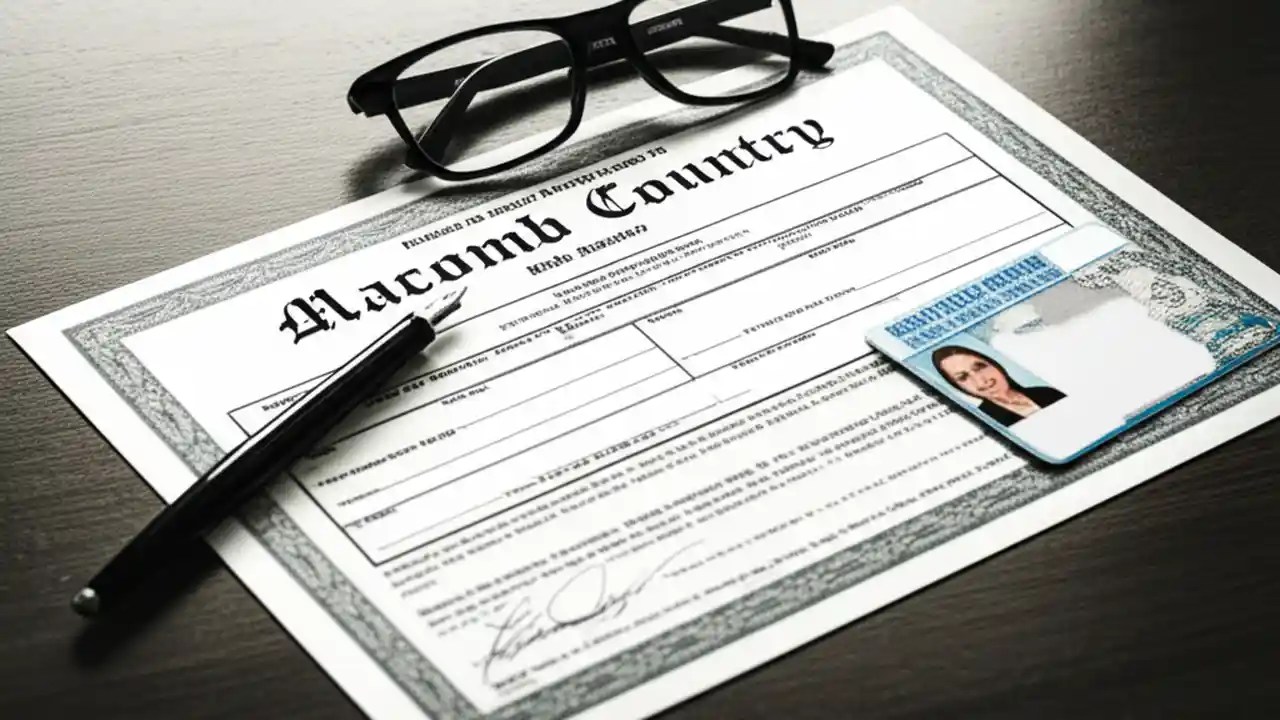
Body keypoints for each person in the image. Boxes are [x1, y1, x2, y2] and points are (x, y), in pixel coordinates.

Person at [930, 346, 1064, 427]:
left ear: (995, 365)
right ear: (958, 386)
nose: (981, 381)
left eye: (980, 367)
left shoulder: (1047, 393)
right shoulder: (986, 420)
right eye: (963, 377)